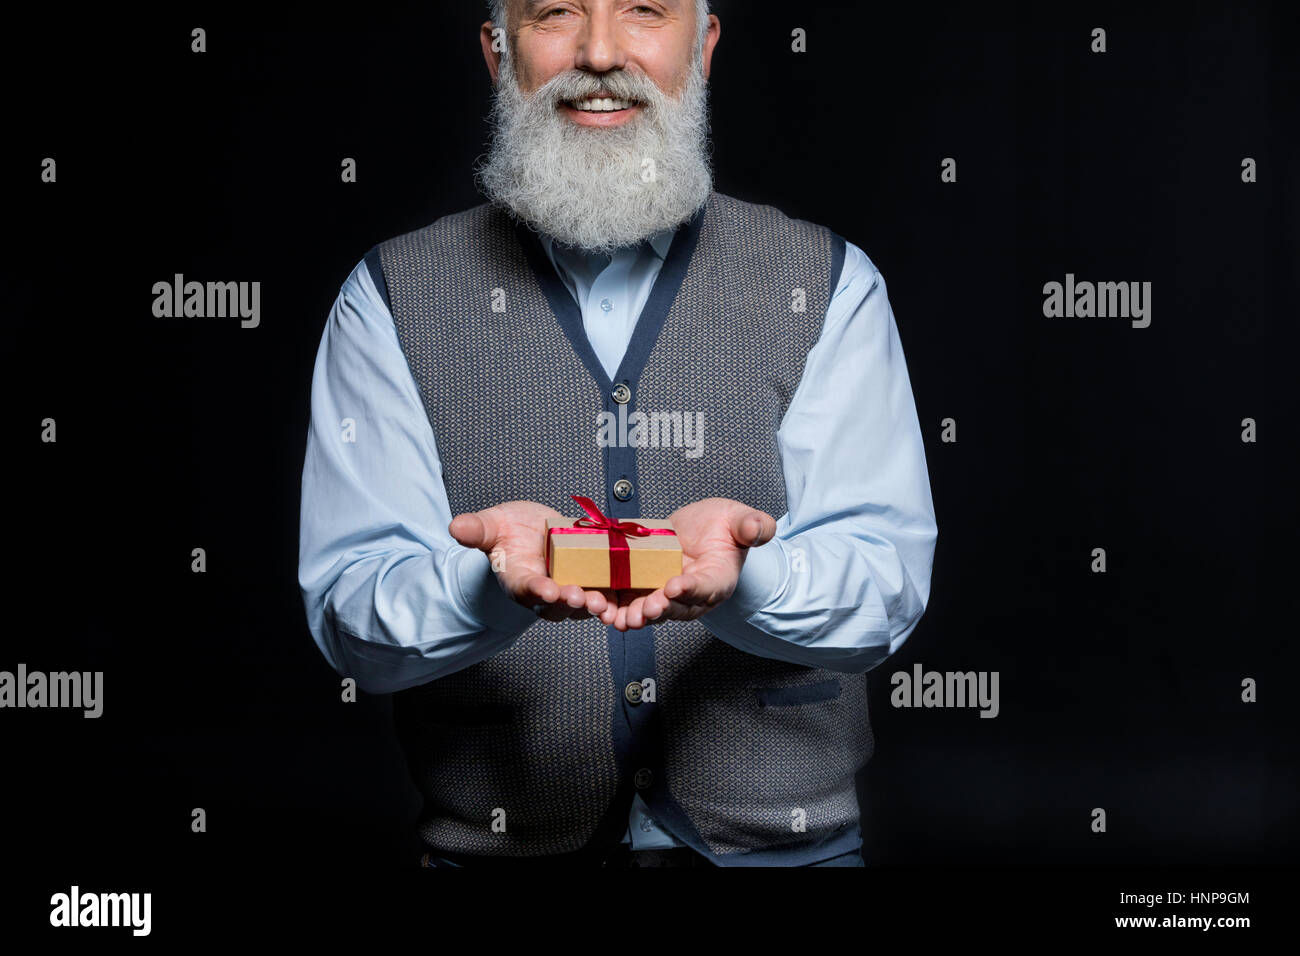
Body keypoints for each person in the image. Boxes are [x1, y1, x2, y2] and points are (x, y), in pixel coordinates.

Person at [297, 0, 938, 867]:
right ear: (498, 53)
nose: (600, 52)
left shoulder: (827, 284)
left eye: (644, 10)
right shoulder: (389, 297)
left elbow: (885, 586)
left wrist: (750, 580)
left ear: (702, 48)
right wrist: (484, 588)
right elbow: (350, 613)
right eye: (556, 13)